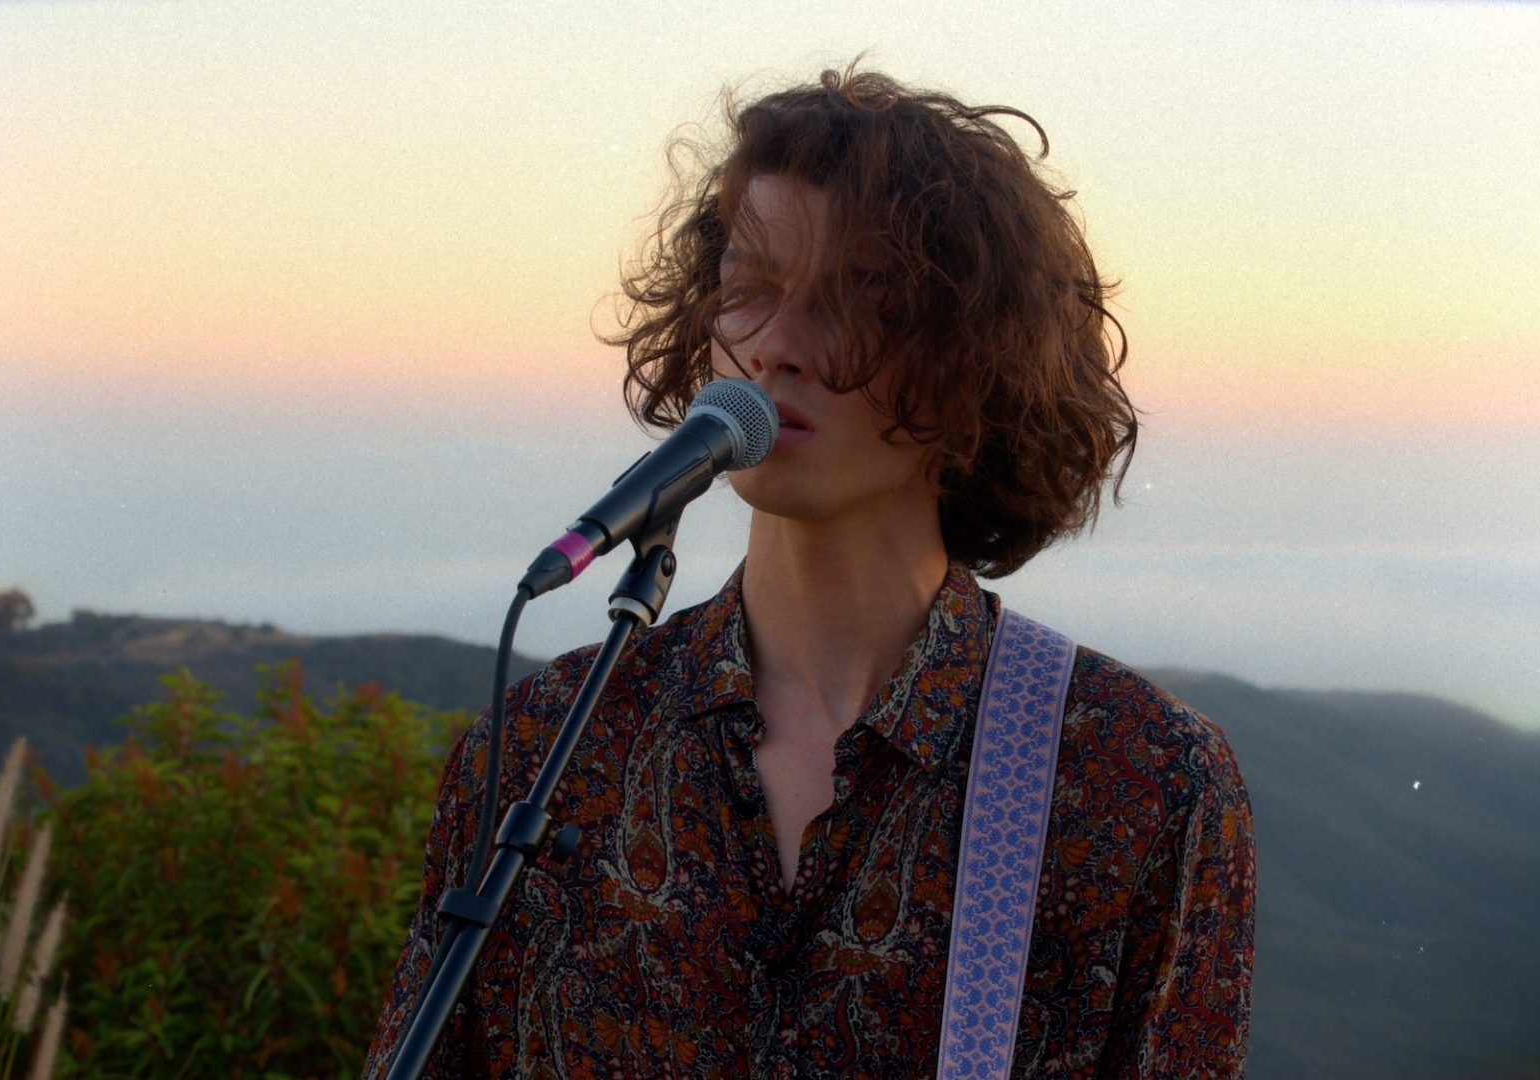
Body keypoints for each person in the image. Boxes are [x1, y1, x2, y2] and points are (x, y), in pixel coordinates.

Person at [364, 63, 1254, 1079]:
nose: (777, 345)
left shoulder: (1131, 781)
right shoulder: (538, 753)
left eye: (856, 296)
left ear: (978, 358)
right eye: (749, 288)